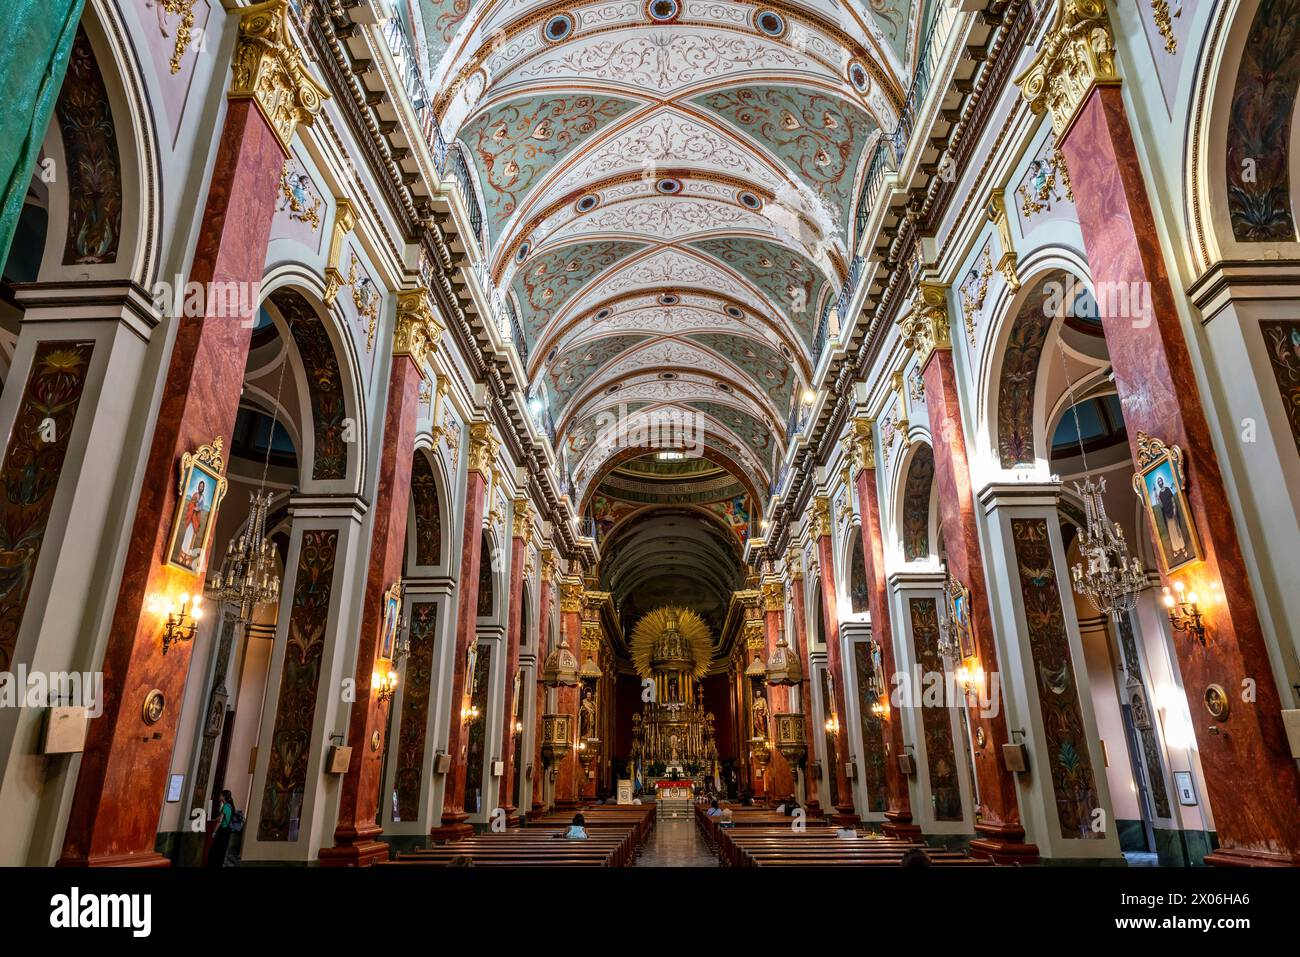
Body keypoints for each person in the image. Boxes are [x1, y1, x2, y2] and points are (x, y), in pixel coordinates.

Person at [207, 790, 235, 867]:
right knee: (221, 851)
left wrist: (214, 832)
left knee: (215, 850)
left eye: (220, 795)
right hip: (227, 832)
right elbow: (221, 817)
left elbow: (220, 821)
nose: (219, 797)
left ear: (223, 796)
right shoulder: (230, 806)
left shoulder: (225, 806)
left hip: (222, 831)